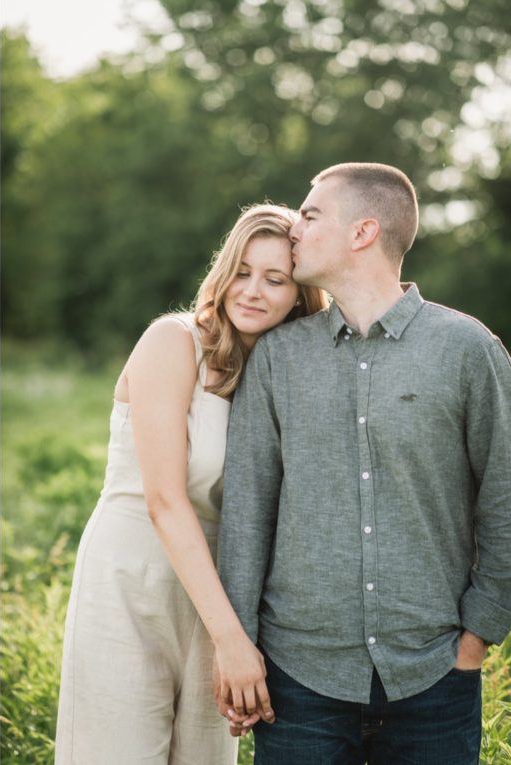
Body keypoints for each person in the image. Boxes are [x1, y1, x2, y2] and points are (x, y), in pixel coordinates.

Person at [218, 163, 511, 763]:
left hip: (434, 676)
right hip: (298, 683)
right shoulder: (277, 357)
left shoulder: (467, 349)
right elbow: (248, 511)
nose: (295, 227)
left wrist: (477, 637)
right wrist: (240, 645)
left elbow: (505, 499)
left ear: (363, 232)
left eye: (311, 213)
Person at [54, 204, 328, 764]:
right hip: (136, 576)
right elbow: (164, 501)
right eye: (242, 271)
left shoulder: (283, 375)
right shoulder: (174, 341)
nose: (251, 291)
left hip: (222, 591)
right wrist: (233, 639)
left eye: (275, 280)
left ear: (300, 295)